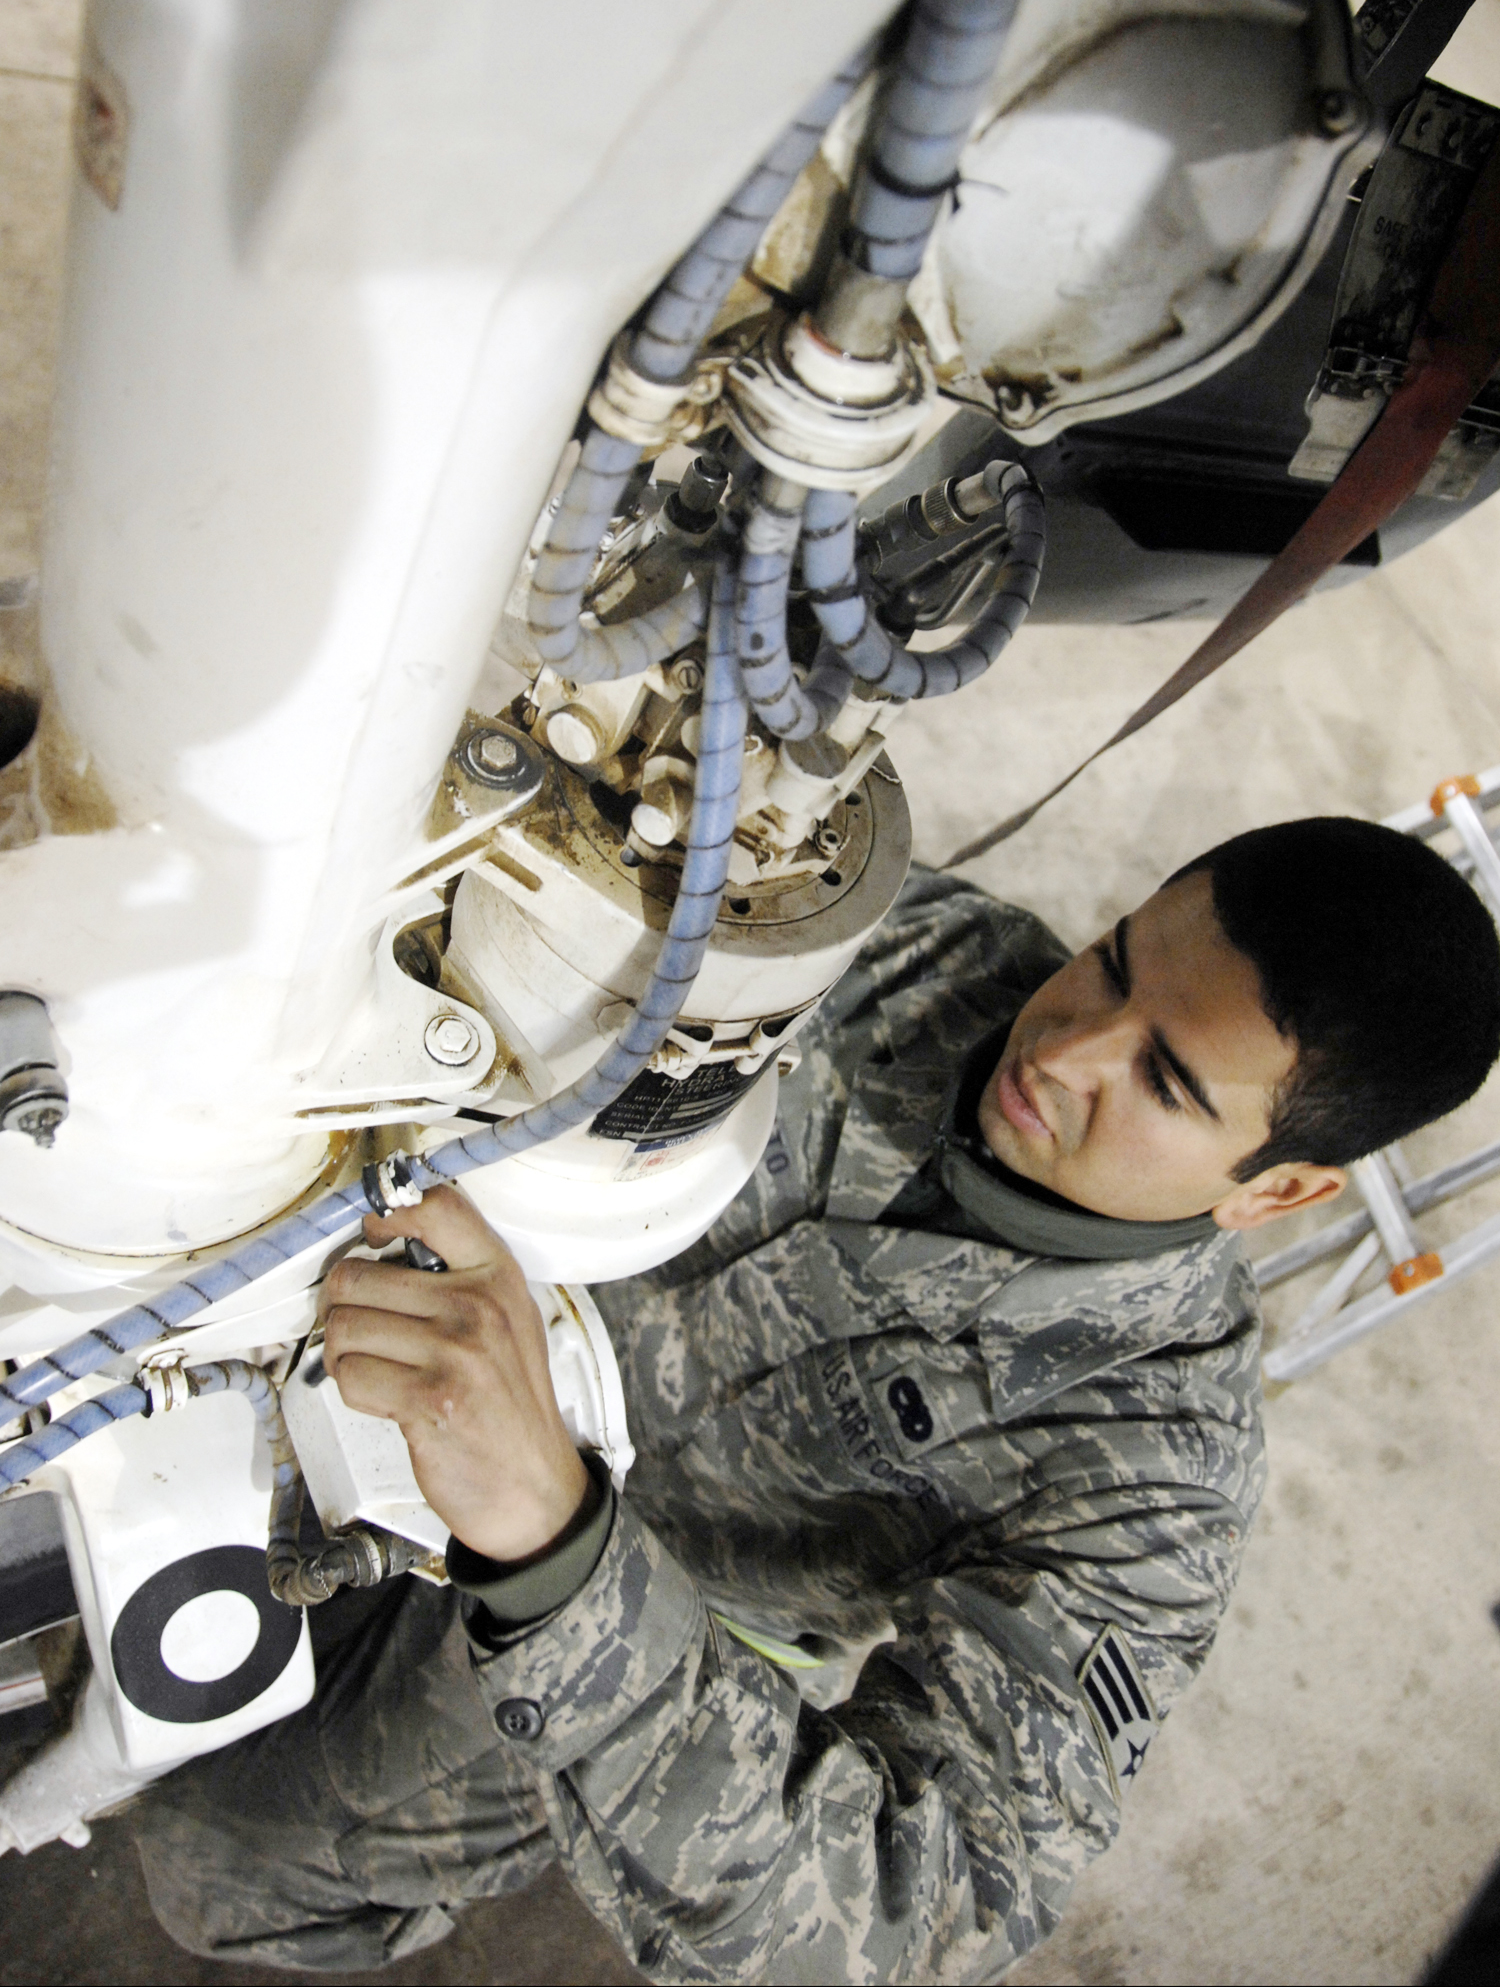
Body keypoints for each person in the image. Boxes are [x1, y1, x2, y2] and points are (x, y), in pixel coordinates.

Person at [135, 817, 1500, 1981]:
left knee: (212, 1863)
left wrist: (555, 1551)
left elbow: (915, 1916)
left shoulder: (1153, 1472)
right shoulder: (915, 949)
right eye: (1112, 964)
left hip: (619, 1620)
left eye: (1161, 1082)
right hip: (417, 1311)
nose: (1063, 1049)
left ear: (1276, 1193)